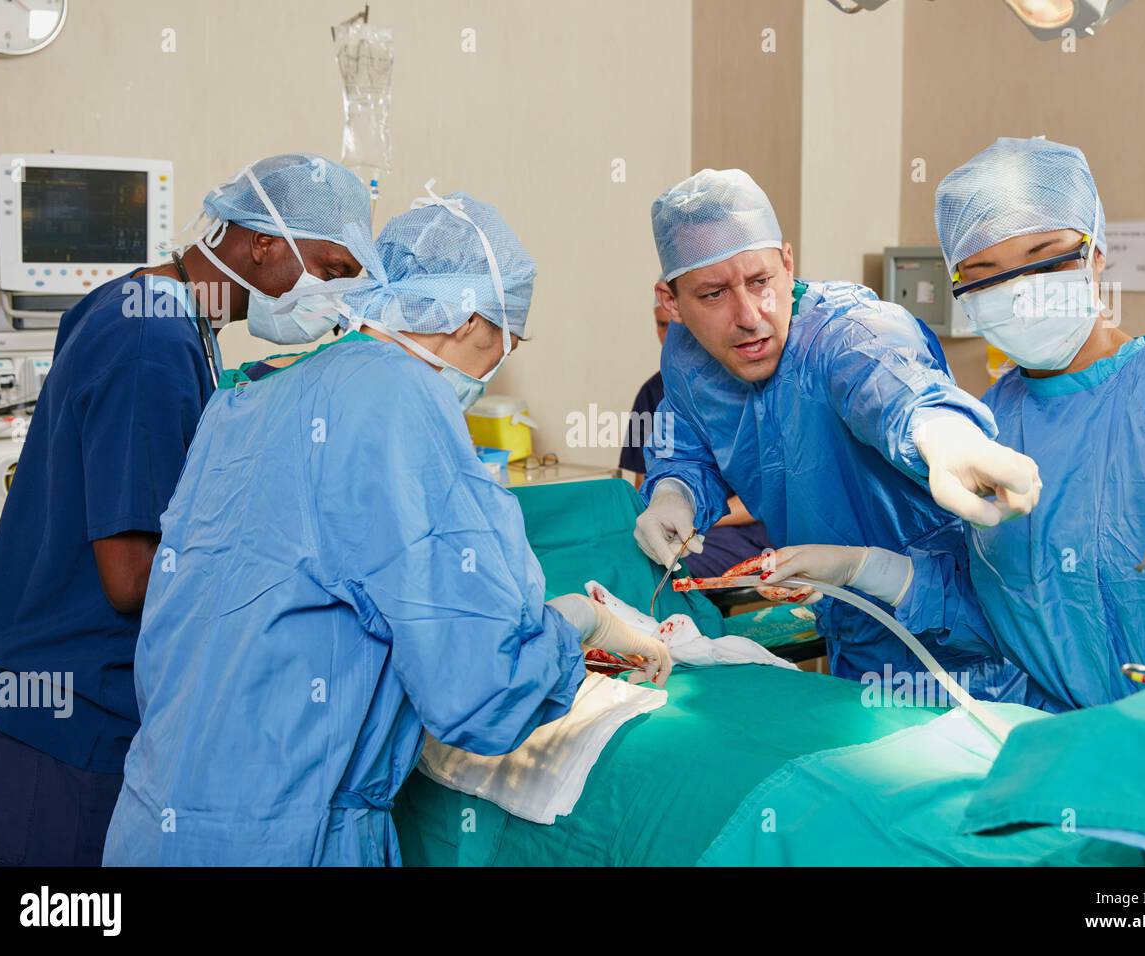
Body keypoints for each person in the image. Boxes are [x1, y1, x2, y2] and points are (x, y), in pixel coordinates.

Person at [102, 186, 672, 867]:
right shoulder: (401, 400)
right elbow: (481, 693)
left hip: (156, 813)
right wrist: (576, 624)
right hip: (286, 836)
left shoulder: (252, 391)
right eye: (504, 341)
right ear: (466, 318)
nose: (493, 368)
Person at [0, 153, 370, 866]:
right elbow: (130, 576)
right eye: (332, 271)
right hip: (66, 718)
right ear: (263, 242)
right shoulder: (150, 340)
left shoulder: (149, 305)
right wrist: (291, 572)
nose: (334, 297)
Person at [870, 135, 1145, 712]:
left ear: (1096, 252)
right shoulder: (980, 433)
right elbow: (991, 613)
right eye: (984, 276)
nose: (1019, 293)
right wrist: (875, 572)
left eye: (1046, 259)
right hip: (1067, 754)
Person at [633, 168, 1040, 695]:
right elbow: (686, 445)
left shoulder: (849, 334)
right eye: (712, 295)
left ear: (787, 262)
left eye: (760, 282)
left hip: (964, 637)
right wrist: (674, 494)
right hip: (854, 637)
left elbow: (891, 386)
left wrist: (942, 436)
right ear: (671, 301)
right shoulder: (689, 358)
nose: (750, 316)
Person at [621, 292, 773, 577]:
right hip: (689, 526)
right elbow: (643, 482)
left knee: (661, 567)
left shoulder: (753, 386)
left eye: (678, 326)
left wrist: (695, 515)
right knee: (624, 550)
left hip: (743, 531)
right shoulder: (651, 393)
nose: (670, 335)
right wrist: (668, 504)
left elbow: (768, 495)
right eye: (661, 325)